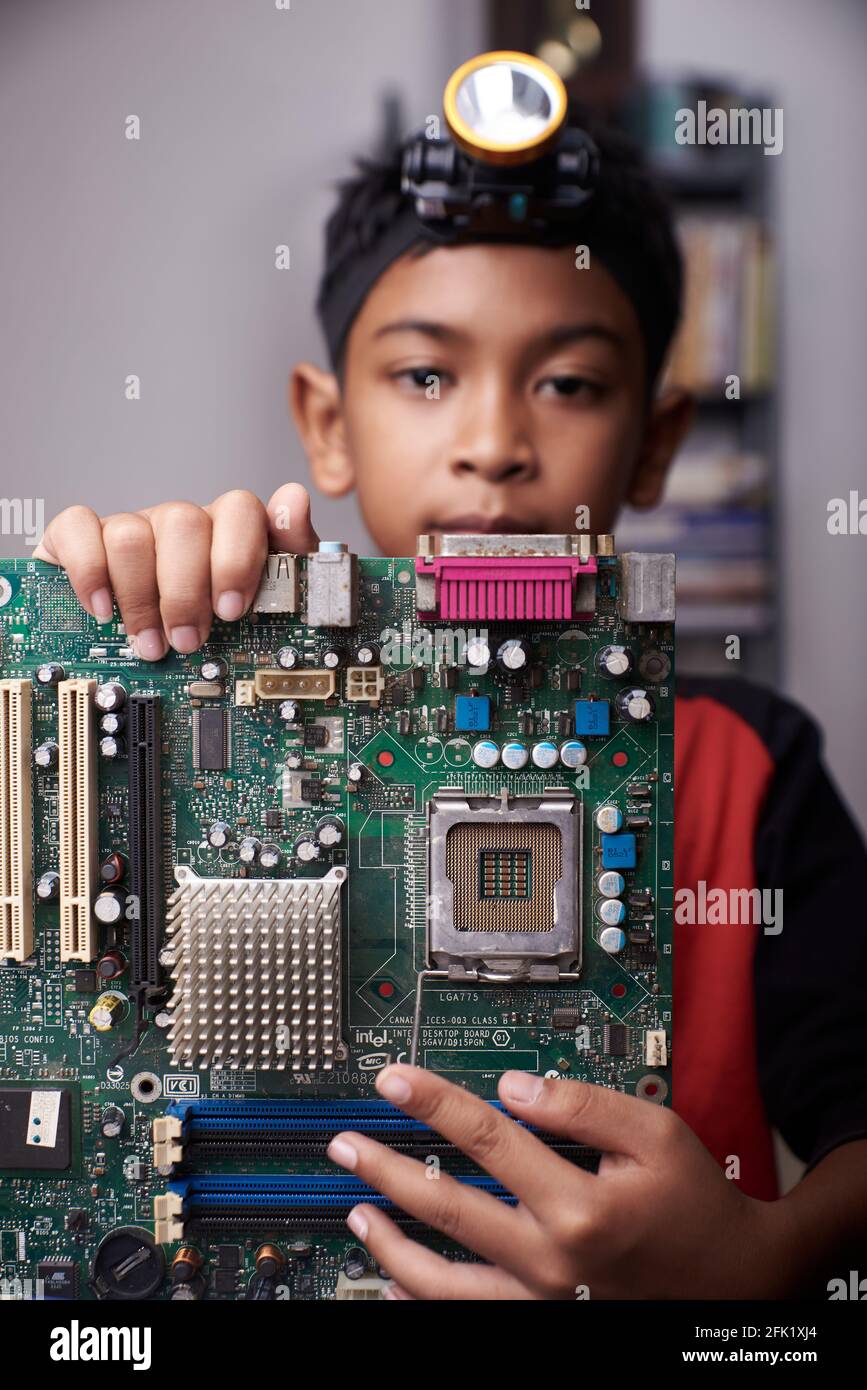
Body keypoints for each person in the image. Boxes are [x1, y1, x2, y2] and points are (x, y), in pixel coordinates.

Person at [34, 99, 867, 1301]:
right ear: (327, 422)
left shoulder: (753, 766)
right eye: (427, 372)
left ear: (654, 439)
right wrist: (131, 646)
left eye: (571, 382)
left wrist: (759, 1265)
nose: (493, 443)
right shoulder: (189, 682)